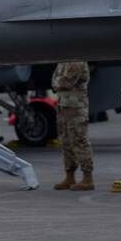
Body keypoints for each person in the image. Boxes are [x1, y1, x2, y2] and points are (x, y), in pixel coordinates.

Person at [51, 60, 94, 191]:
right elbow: (56, 82)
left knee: (79, 141)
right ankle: (70, 176)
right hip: (63, 105)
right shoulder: (64, 60)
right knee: (66, 142)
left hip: (76, 107)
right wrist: (57, 82)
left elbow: (66, 82)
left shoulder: (77, 61)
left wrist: (57, 82)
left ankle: (88, 178)